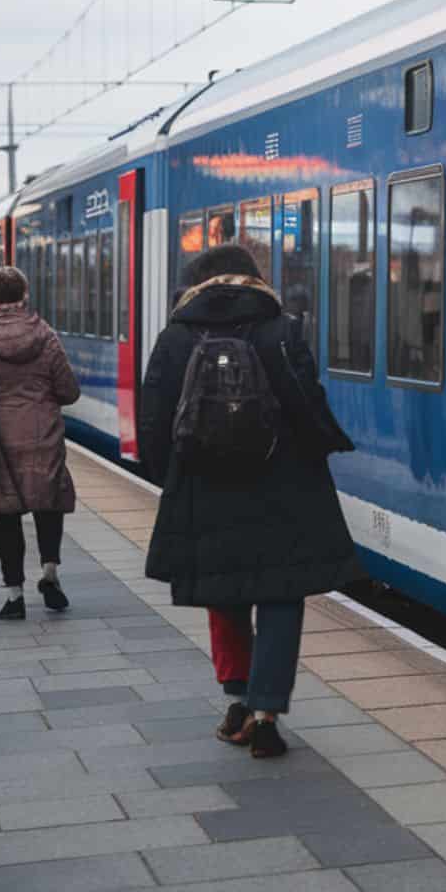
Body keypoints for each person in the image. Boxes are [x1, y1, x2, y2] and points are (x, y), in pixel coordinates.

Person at [141, 243, 357, 758]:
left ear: (198, 282)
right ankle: (266, 717)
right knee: (281, 596)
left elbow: (154, 419)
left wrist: (169, 477)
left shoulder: (175, 337)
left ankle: (236, 702)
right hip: (283, 486)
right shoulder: (281, 331)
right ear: (252, 279)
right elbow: (309, 406)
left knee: (225, 594)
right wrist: (324, 446)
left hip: (205, 485)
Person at [0, 266, 81, 621]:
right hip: (43, 434)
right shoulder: (46, 335)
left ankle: (14, 596)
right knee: (47, 504)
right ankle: (50, 575)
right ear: (24, 296)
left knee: (5, 513)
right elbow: (69, 391)